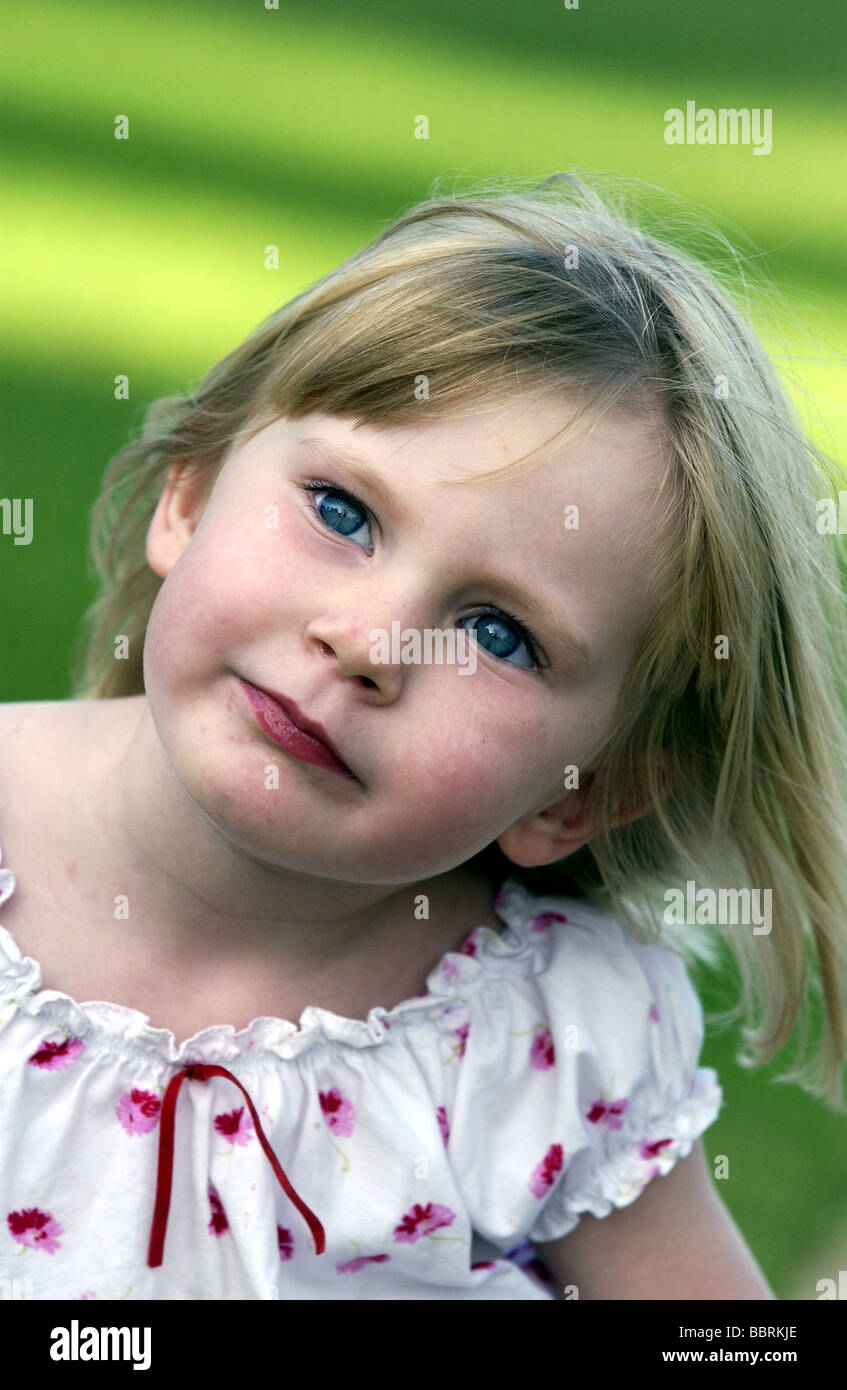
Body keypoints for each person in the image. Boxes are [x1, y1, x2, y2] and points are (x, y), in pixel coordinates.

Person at [1, 171, 845, 1301]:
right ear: (189, 495)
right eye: (342, 512)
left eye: (498, 633)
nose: (368, 643)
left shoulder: (539, 1042)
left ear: (580, 795)